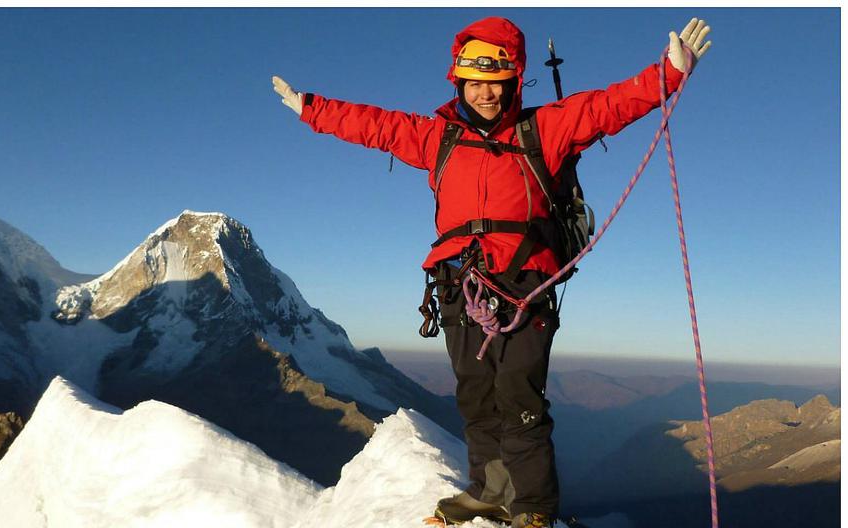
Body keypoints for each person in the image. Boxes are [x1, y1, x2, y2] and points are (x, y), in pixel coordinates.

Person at [272, 16, 711, 528]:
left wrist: (669, 72)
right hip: (457, 284)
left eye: (496, 84)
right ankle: (489, 491)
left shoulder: (543, 128)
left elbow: (609, 106)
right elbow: (378, 126)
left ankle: (533, 507)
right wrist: (313, 109)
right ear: (458, 83)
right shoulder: (438, 138)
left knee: (518, 395)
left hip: (524, 282)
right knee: (476, 395)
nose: (485, 94)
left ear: (513, 83)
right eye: (475, 83)